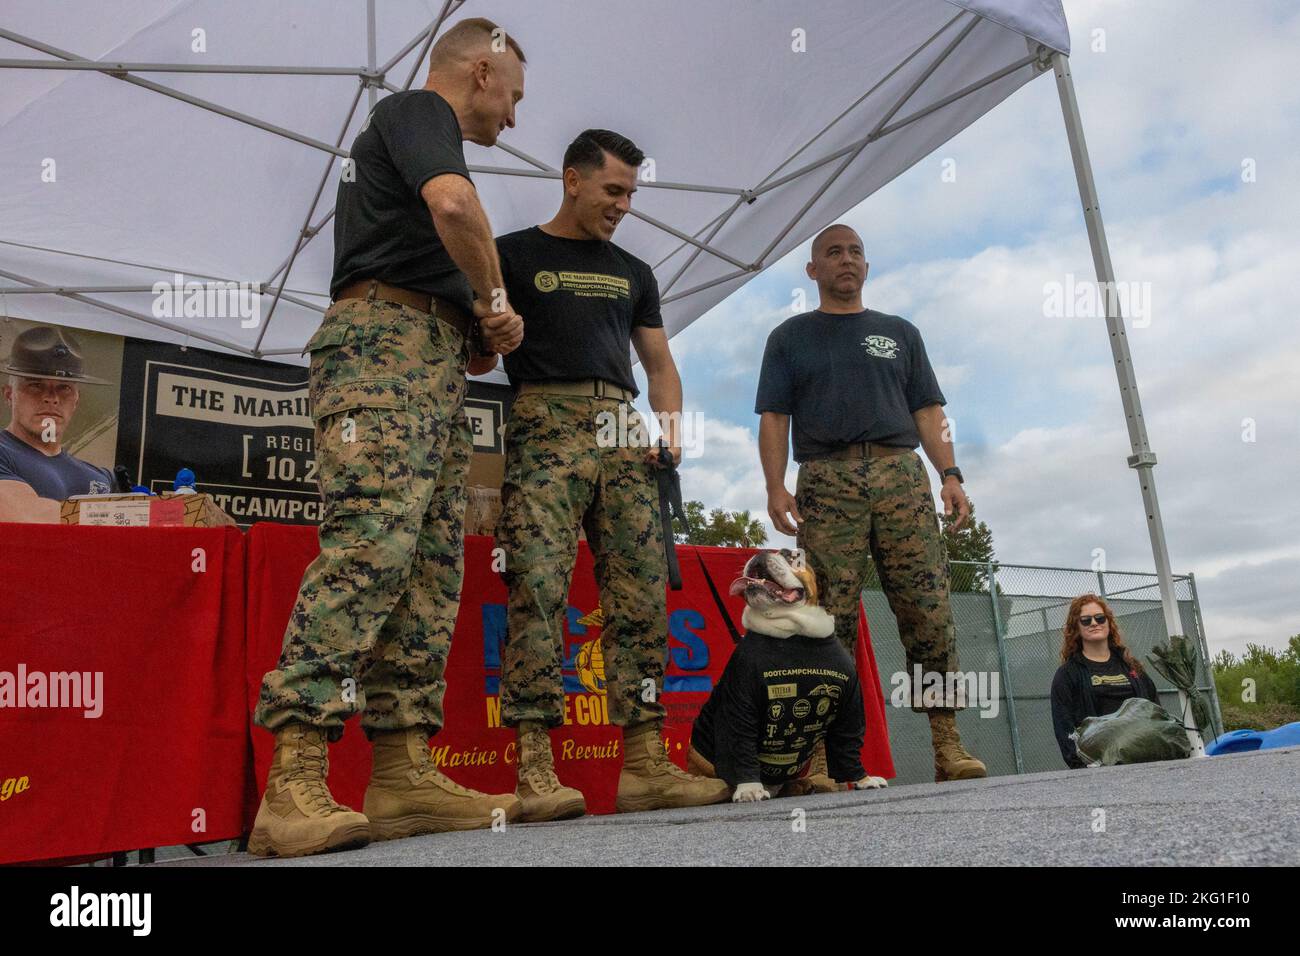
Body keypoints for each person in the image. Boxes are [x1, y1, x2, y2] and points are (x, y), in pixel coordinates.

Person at [250, 17, 529, 859]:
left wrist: (472, 322)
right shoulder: (415, 110)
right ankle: (292, 777)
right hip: (381, 347)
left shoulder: (417, 144)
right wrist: (494, 299)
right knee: (371, 547)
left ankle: (404, 771)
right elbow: (454, 203)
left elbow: (441, 257)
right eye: (514, 97)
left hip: (427, 354)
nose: (514, 117)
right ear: (481, 72)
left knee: (430, 565)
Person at [493, 128, 729, 820]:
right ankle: (535, 766)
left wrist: (672, 433)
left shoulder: (635, 272)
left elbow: (659, 365)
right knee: (538, 583)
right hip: (545, 414)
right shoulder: (510, 253)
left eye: (630, 194)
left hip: (623, 426)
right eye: (613, 190)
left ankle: (646, 764)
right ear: (572, 179)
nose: (624, 205)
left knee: (641, 592)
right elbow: (481, 346)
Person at [755, 223, 987, 784]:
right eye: (833, 252)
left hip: (901, 475)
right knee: (824, 618)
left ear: (867, 264)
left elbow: (929, 412)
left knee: (927, 609)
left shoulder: (900, 333)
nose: (847, 260)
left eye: (856, 251)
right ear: (813, 270)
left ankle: (947, 743)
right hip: (826, 480)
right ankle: (819, 754)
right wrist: (776, 486)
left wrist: (950, 474)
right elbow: (774, 418)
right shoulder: (789, 337)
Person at [0, 326, 115, 523]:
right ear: (9, 395)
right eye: (35, 385)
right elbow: (24, 516)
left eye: (64, 388)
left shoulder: (100, 478)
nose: (51, 398)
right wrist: (118, 514)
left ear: (76, 400)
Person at [1050, 593, 1160, 769]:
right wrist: (1087, 768)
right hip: (1101, 768)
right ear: (1076, 627)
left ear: (1108, 623)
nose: (1094, 623)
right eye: (1086, 620)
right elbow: (1064, 729)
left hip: (1144, 762)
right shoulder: (1068, 675)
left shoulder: (1131, 667)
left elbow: (1155, 711)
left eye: (1100, 618)